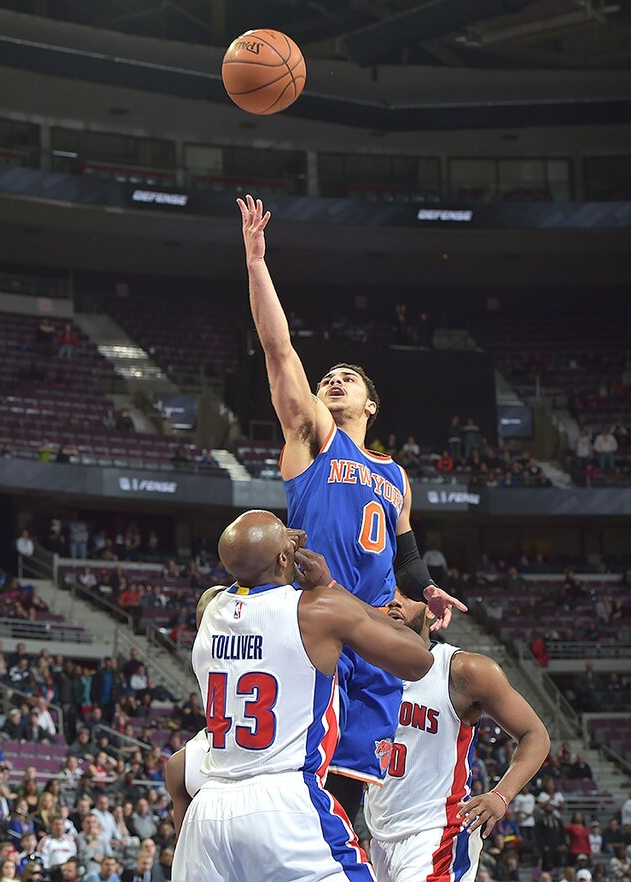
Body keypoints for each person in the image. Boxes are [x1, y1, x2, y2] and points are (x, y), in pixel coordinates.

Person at [238, 194, 466, 819]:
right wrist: (258, 262)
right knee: (297, 787)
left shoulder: (395, 475)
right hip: (318, 621)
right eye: (327, 379)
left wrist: (430, 590)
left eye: (349, 379)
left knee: (346, 801)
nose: (333, 381)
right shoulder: (314, 440)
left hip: (376, 634)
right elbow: (279, 352)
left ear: (372, 404)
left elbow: (406, 553)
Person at [171, 510, 434, 882]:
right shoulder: (317, 611)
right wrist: (329, 585)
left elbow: (247, 564)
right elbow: (418, 658)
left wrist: (273, 548)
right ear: (285, 558)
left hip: (208, 810)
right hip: (283, 801)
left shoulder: (210, 607)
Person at [364, 590, 550, 882]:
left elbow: (535, 734)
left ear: (431, 610)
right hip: (377, 837)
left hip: (437, 833)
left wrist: (501, 795)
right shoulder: (365, 670)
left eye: (407, 594)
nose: (395, 601)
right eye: (389, 591)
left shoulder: (462, 669)